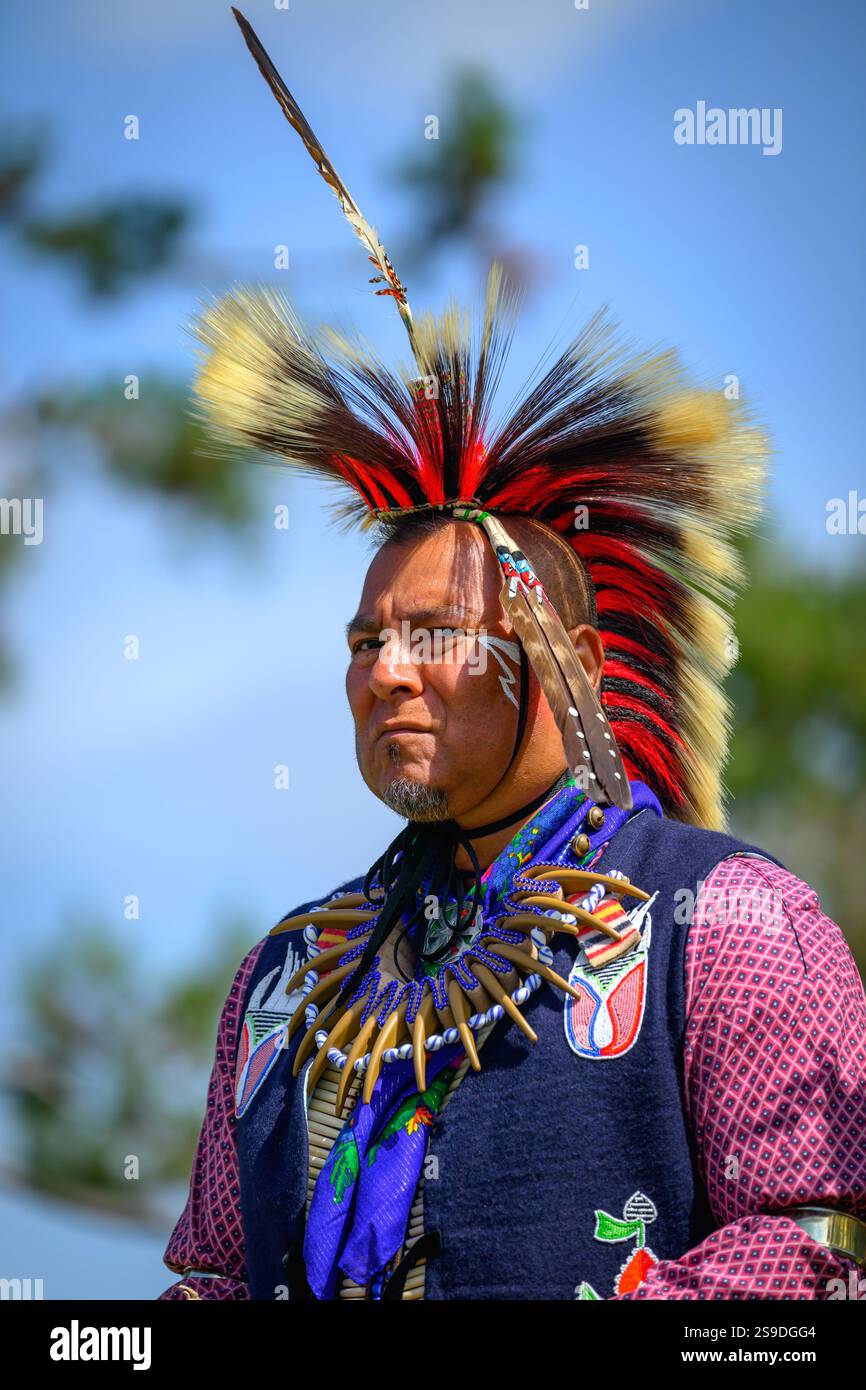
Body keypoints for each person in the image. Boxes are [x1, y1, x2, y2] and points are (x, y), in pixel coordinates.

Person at [158, 11, 866, 1301]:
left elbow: (804, 1281)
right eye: (368, 640)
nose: (386, 673)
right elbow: (208, 1288)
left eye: (434, 635)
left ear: (562, 652)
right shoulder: (283, 982)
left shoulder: (733, 925)